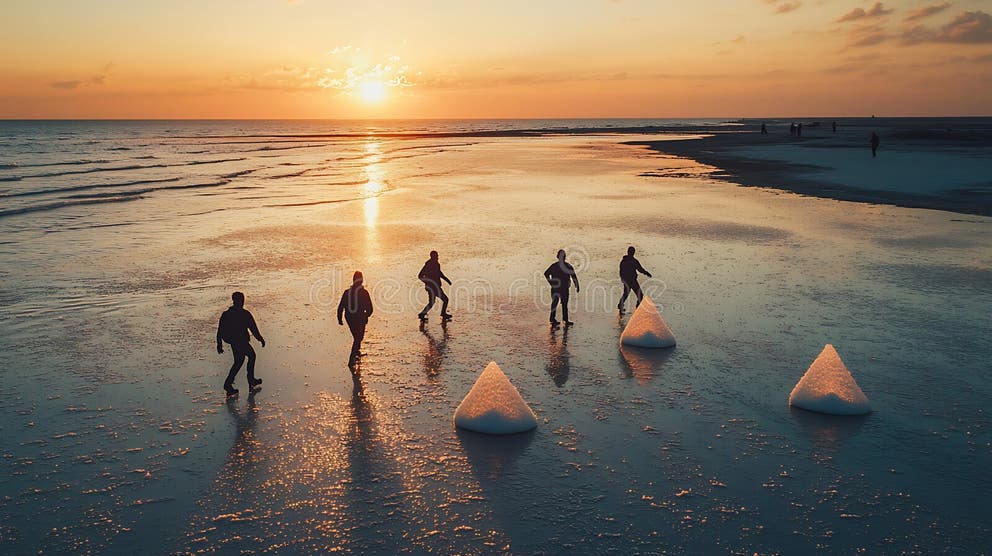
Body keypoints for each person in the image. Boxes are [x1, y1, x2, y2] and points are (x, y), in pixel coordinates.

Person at [216, 291, 265, 396]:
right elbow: (253, 329)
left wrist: (219, 344)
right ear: (237, 300)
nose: (242, 301)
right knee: (251, 356)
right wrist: (260, 338)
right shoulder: (243, 314)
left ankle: (229, 384)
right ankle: (249, 379)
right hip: (240, 342)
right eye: (241, 300)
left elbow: (220, 331)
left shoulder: (228, 314)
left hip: (235, 342)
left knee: (239, 361)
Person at [338, 271, 374, 368]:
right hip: (360, 318)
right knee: (358, 337)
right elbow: (370, 309)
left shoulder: (347, 292)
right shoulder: (364, 293)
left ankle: (357, 352)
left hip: (349, 318)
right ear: (362, 281)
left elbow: (341, 307)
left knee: (357, 337)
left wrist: (340, 318)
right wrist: (366, 316)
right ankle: (352, 358)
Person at [544, 249, 579, 326]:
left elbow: (546, 274)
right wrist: (577, 285)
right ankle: (564, 320)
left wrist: (551, 283)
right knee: (564, 304)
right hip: (563, 288)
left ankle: (553, 319)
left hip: (556, 288)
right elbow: (574, 276)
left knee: (555, 304)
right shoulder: (568, 266)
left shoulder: (554, 266)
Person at [417, 250, 452, 321]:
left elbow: (439, 273)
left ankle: (422, 314)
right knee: (445, 299)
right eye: (436, 255)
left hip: (434, 286)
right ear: (432, 256)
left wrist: (446, 280)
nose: (438, 257)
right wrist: (428, 282)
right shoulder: (429, 264)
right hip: (433, 287)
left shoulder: (436, 263)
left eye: (437, 255)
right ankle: (443, 314)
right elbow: (420, 275)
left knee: (432, 302)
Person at [618, 246, 653, 312]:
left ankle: (620, 305)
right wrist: (647, 273)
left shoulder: (623, 261)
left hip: (626, 281)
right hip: (632, 281)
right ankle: (637, 309)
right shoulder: (634, 261)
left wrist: (622, 279)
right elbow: (640, 269)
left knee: (626, 294)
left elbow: (621, 271)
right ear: (633, 253)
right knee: (640, 295)